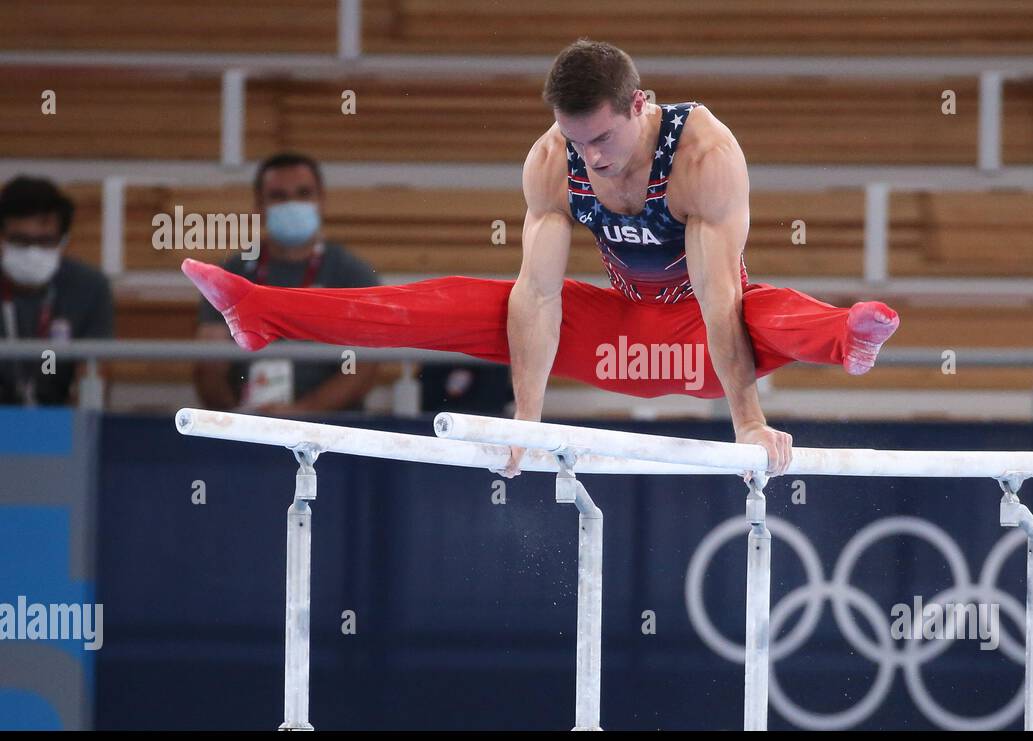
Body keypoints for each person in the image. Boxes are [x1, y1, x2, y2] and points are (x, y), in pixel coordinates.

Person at [183, 40, 899, 474]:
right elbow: (540, 296)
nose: (590, 158)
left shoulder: (704, 156)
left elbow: (717, 298)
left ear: (638, 105)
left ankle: (848, 335)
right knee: (479, 302)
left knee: (760, 309)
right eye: (575, 140)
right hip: (616, 334)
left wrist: (747, 422)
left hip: (705, 340)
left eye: (603, 141)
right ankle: (263, 312)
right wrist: (528, 420)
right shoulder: (553, 159)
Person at [193, 152, 380, 415]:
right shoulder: (230, 274)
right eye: (279, 196)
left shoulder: (352, 274)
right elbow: (209, 366)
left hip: (331, 430)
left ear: (321, 201)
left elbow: (364, 369)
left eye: (303, 193)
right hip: (246, 430)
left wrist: (301, 413)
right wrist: (238, 420)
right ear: (259, 205)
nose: (292, 204)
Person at [0, 176, 113, 406]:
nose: (32, 252)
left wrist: (76, 432)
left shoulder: (89, 287)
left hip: (58, 422)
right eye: (20, 241)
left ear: (63, 241)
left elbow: (94, 377)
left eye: (45, 241)